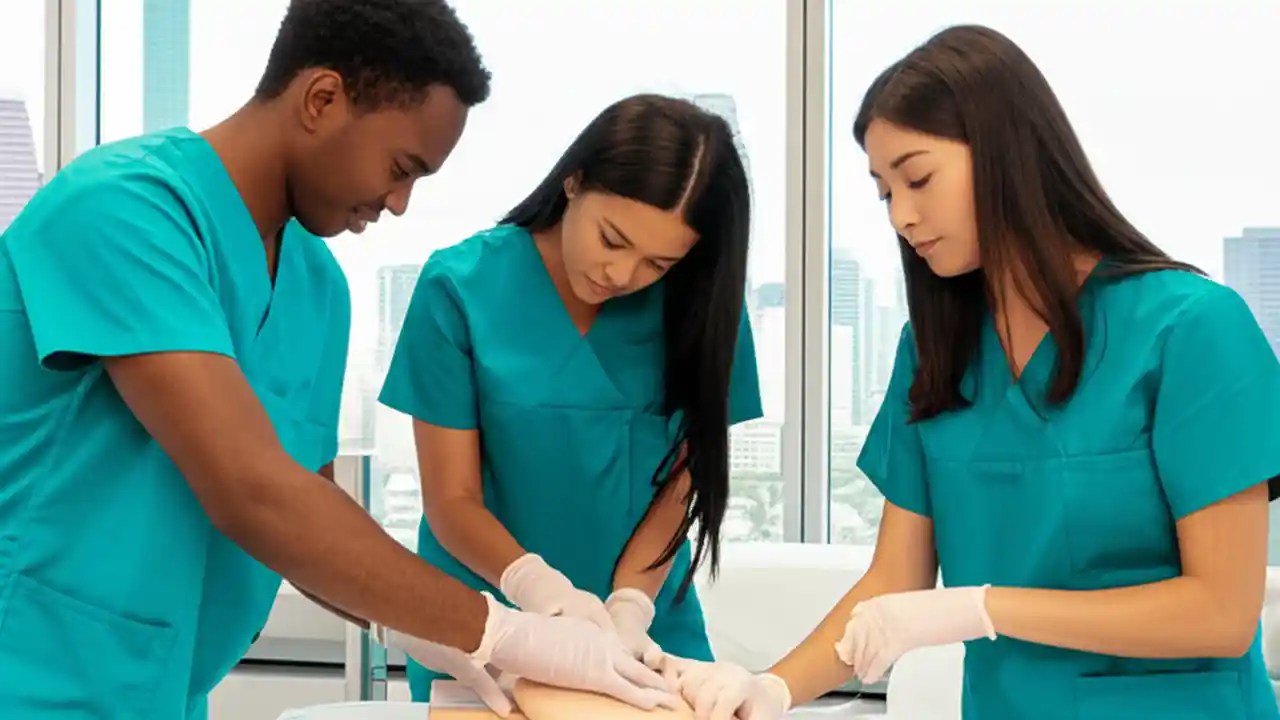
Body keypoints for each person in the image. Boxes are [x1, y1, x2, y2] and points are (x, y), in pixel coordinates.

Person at [0, 2, 676, 718]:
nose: (400, 203)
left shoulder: (316, 287)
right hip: (30, 674)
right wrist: (499, 630)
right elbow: (253, 489)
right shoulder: (125, 210)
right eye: (400, 167)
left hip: (166, 691)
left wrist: (415, 628)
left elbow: (309, 510)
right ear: (322, 99)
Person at [663, 24, 1280, 720]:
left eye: (918, 178)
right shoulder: (933, 352)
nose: (902, 216)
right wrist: (771, 688)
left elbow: (1222, 611)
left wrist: (983, 608)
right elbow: (895, 579)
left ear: (1005, 152)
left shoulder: (1191, 329)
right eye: (883, 193)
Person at [378, 92, 764, 702]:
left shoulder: (702, 309)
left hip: (645, 628)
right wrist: (542, 595)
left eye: (656, 263)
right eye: (612, 239)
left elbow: (680, 483)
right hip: (490, 624)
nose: (622, 275)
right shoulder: (460, 287)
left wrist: (631, 605)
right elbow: (452, 500)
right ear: (574, 181)